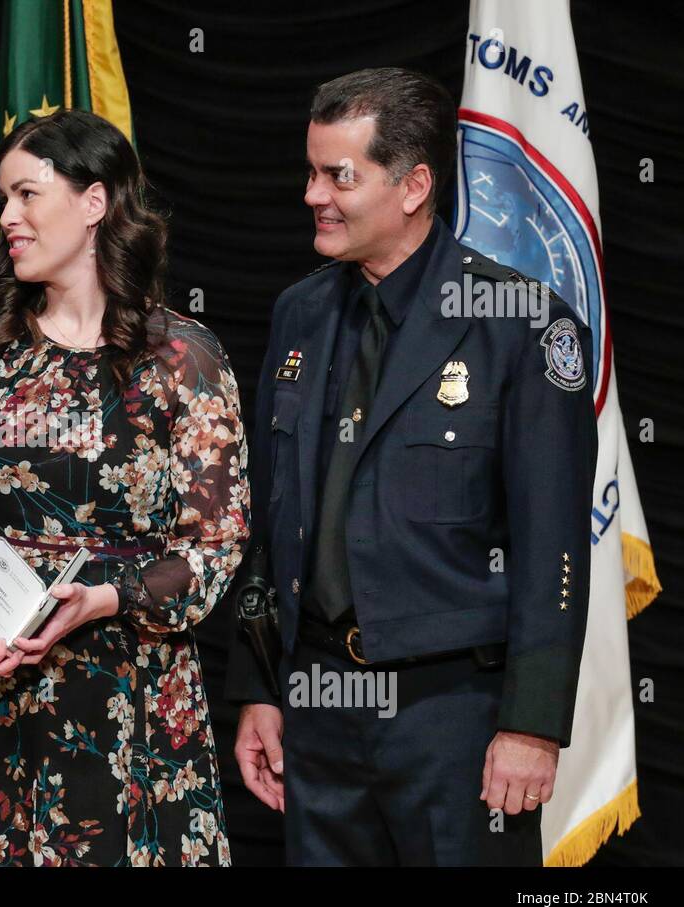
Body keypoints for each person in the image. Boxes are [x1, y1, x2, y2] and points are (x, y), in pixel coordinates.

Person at [227, 67, 596, 865]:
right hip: (319, 708)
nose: (312, 194)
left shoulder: (520, 324)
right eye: (311, 171)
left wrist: (531, 723)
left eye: (339, 176)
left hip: (454, 717)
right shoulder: (300, 312)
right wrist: (258, 685)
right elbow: (273, 519)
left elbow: (554, 542)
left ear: (413, 185)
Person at [0, 110, 249, 866]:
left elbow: (213, 546)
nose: (7, 219)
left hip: (132, 698)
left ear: (94, 202)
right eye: (2, 202)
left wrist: (103, 598)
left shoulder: (186, 357)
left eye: (26, 194)